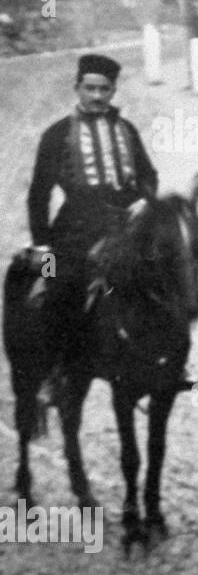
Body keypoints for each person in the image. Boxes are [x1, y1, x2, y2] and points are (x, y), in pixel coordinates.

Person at [26, 53, 158, 366]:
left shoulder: (126, 129)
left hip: (127, 226)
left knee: (165, 275)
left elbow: (148, 175)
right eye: (90, 89)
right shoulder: (56, 135)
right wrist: (42, 246)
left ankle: (163, 358)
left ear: (113, 91)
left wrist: (144, 200)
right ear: (77, 88)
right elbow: (38, 194)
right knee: (54, 288)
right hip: (73, 231)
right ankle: (55, 370)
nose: (97, 96)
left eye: (105, 89)